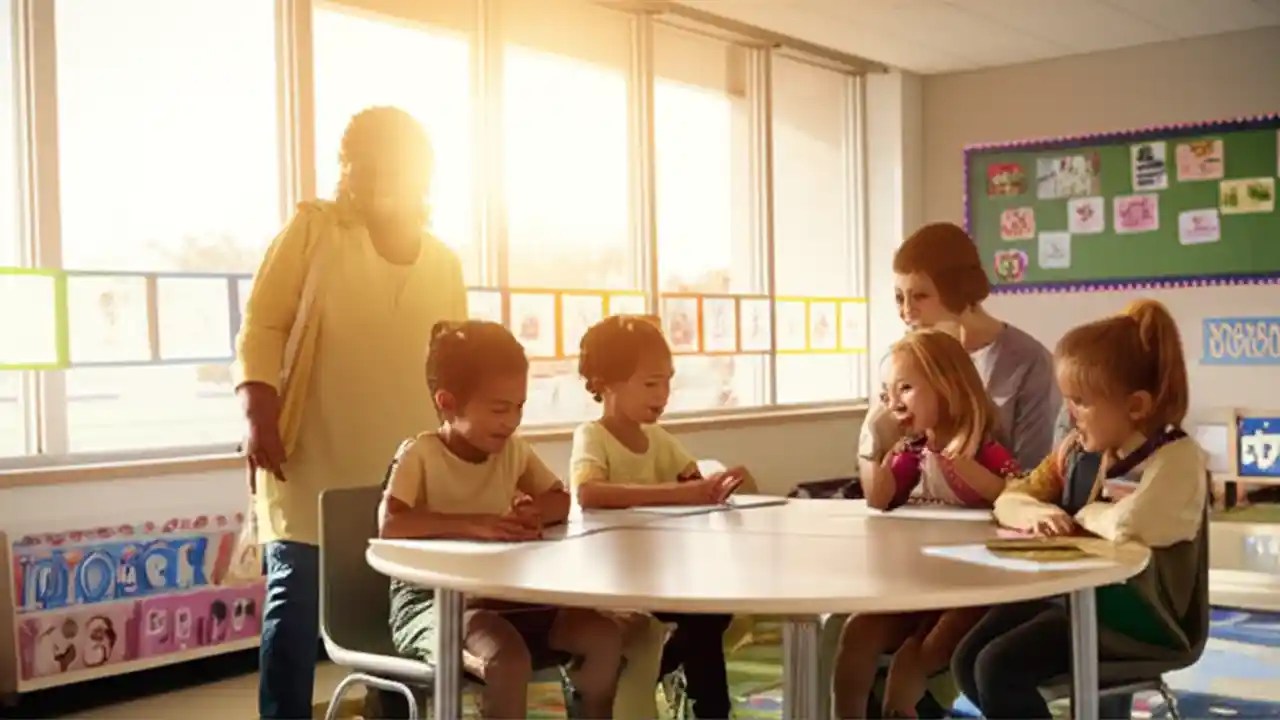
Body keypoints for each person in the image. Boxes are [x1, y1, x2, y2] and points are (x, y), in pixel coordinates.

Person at [234, 107, 468, 719]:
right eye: (360, 165)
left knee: (399, 607)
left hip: (403, 468)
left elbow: (458, 363)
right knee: (296, 606)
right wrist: (257, 408)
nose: (373, 179)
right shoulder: (313, 232)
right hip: (311, 458)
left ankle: (391, 712)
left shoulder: (443, 261)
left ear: (422, 175)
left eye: (392, 166)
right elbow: (262, 322)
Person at [952, 299, 1207, 719]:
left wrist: (1087, 516)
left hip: (1142, 619)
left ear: (1136, 406)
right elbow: (1011, 496)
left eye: (1082, 402)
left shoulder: (1176, 458)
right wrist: (1033, 513)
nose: (1069, 415)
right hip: (1077, 599)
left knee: (998, 667)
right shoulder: (1075, 452)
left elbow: (1135, 524)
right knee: (968, 661)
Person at [381, 321, 624, 719]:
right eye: (498, 408)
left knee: (603, 637)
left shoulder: (513, 451)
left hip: (507, 596)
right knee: (506, 661)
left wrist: (535, 511)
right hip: (436, 602)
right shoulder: (420, 454)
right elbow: (391, 524)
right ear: (447, 402)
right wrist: (477, 524)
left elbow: (560, 500)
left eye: (519, 407)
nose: (511, 420)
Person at [834, 329, 1022, 718]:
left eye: (905, 389)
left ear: (947, 387)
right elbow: (879, 497)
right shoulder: (913, 451)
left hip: (972, 590)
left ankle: (903, 707)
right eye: (887, 394)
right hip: (915, 583)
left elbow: (1009, 494)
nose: (894, 402)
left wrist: (960, 462)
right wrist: (872, 442)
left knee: (917, 655)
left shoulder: (982, 447)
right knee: (857, 633)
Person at [571, 315, 745, 720]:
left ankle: (702, 702)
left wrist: (720, 484)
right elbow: (589, 492)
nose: (664, 394)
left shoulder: (658, 439)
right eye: (651, 383)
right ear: (606, 383)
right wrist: (680, 492)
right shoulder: (593, 436)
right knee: (703, 619)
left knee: (713, 609)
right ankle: (699, 700)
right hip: (613, 579)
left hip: (660, 574)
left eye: (668, 381)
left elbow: (691, 480)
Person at [859, 222, 1059, 486]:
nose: (906, 311)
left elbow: (1034, 474)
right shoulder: (895, 360)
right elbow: (879, 467)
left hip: (998, 511)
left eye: (920, 296)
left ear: (958, 291)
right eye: (899, 297)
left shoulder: (1029, 362)